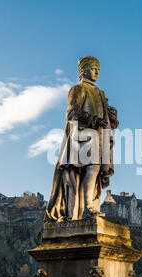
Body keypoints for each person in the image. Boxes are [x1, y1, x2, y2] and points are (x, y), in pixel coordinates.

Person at [45, 56, 119, 222]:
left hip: (99, 138)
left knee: (97, 169)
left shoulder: (100, 93)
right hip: (82, 136)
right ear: (83, 70)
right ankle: (87, 207)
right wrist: (93, 120)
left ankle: (89, 206)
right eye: (94, 68)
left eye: (98, 69)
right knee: (93, 167)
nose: (97, 72)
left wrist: (110, 116)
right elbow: (71, 114)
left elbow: (107, 119)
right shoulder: (78, 89)